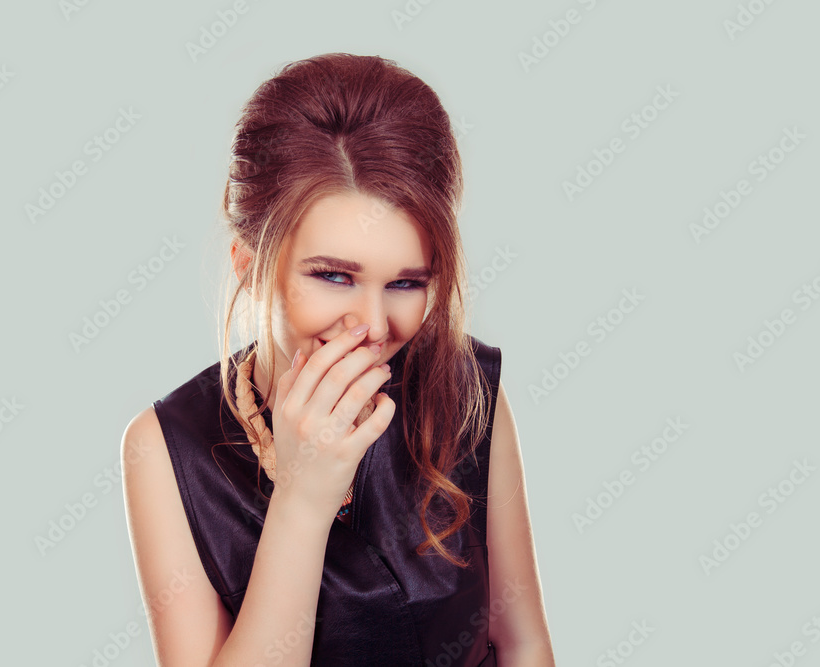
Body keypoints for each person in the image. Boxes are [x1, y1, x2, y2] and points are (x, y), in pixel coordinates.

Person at [122, 52, 555, 667]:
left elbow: (523, 643)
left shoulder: (465, 390)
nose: (374, 327)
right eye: (333, 276)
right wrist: (302, 499)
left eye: (407, 283)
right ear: (250, 264)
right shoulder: (170, 448)